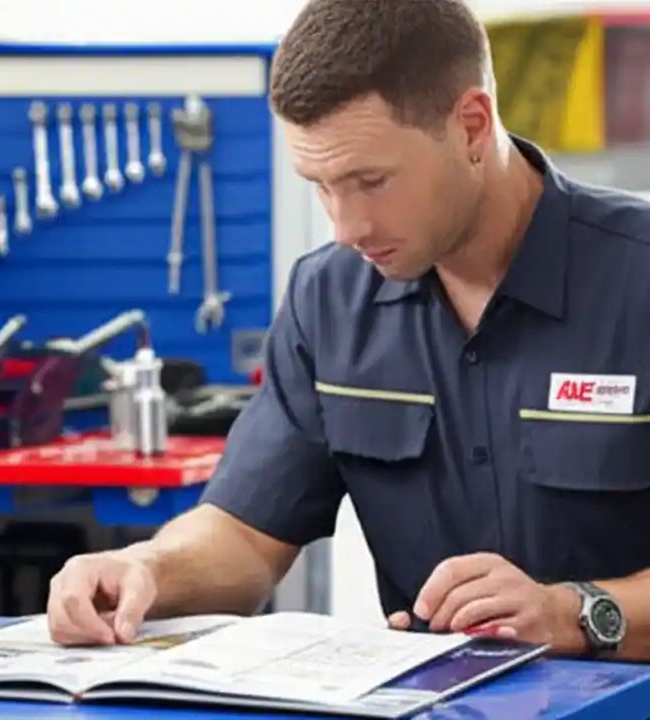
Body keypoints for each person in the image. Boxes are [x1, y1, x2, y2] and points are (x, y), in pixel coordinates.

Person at [46, 0, 650, 661]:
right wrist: (150, 570)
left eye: (371, 181)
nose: (346, 227)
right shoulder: (329, 298)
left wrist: (576, 613)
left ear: (472, 126)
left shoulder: (636, 279)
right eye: (321, 186)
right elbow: (246, 535)